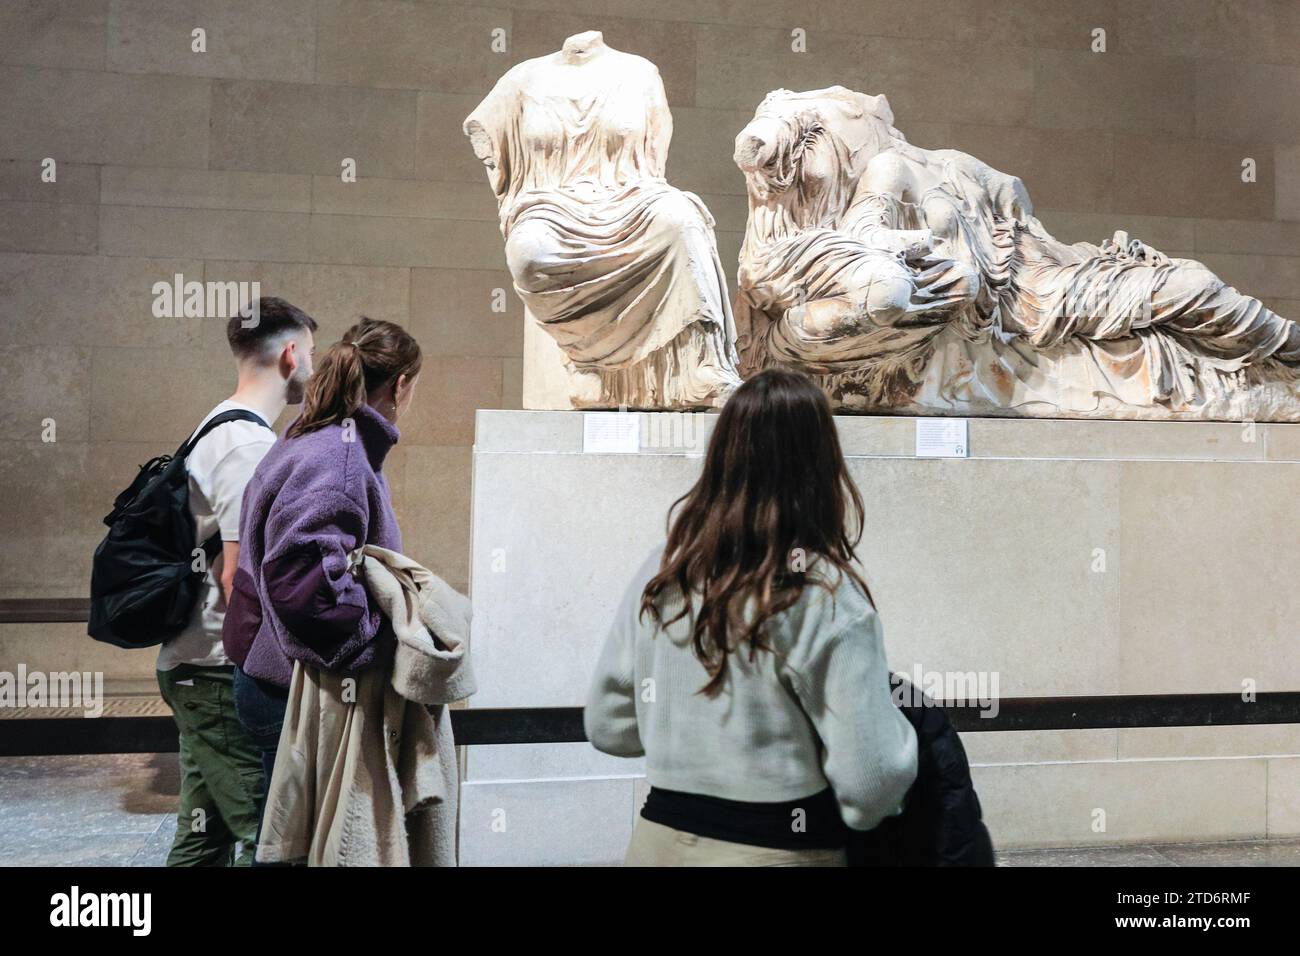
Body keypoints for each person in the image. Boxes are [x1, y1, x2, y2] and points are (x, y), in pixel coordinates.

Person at [585, 366, 918, 866]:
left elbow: (609, 726)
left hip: (657, 844)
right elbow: (871, 780)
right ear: (824, 465)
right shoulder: (823, 592)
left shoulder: (665, 570)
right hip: (778, 850)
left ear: (721, 458)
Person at [222, 317, 422, 850]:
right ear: (400, 385)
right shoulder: (338, 456)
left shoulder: (313, 437)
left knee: (285, 839)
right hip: (288, 689)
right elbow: (303, 586)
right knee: (293, 847)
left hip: (269, 676)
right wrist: (373, 644)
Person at [157, 296, 318, 866]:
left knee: (204, 838)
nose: (314, 369)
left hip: (196, 664)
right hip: (219, 672)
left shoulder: (219, 424)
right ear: (291, 354)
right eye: (312, 354)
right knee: (269, 839)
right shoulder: (249, 444)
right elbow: (238, 575)